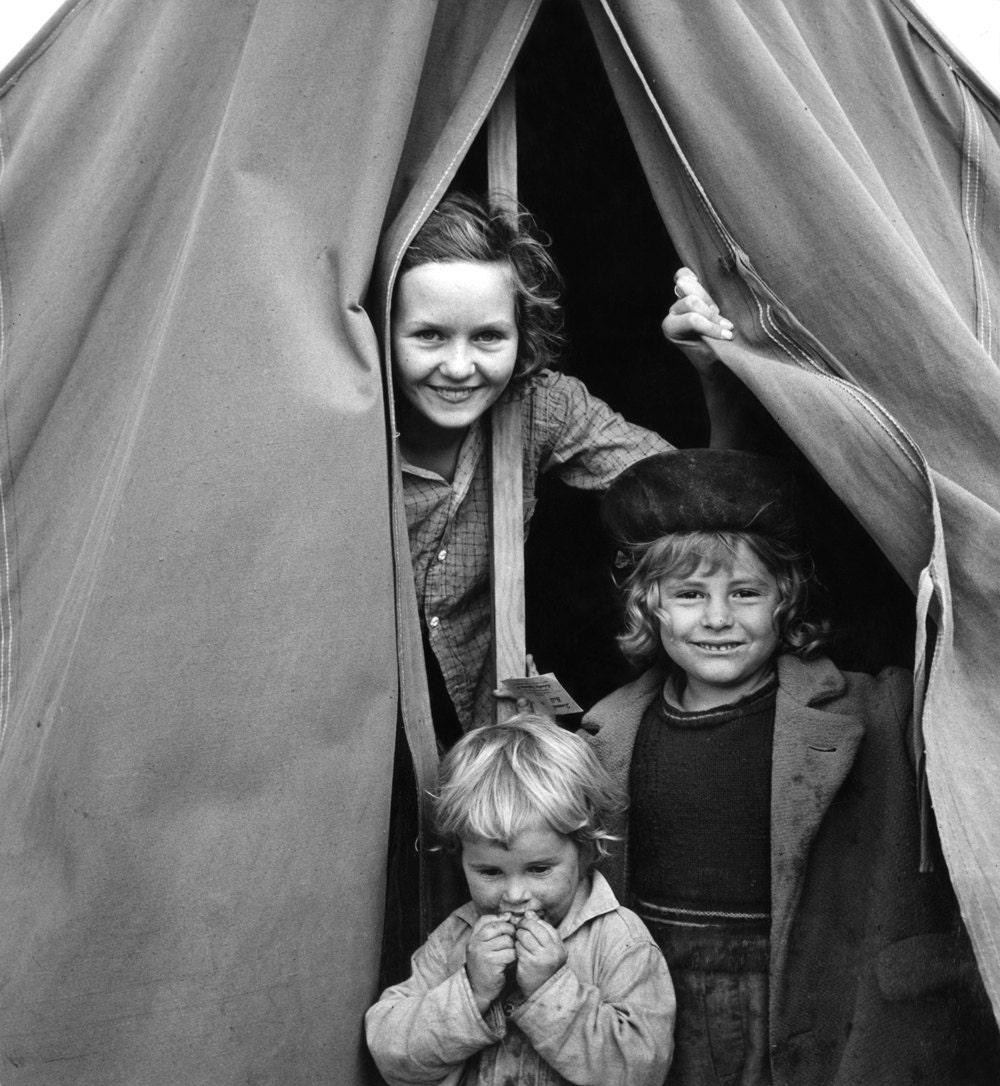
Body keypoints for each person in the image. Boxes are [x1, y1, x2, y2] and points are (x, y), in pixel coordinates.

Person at [583, 440, 1000, 1084]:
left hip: (804, 1003)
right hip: (654, 1003)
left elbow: (974, 645)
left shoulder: (872, 712)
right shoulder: (605, 731)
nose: (718, 618)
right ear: (648, 605)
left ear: (786, 597)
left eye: (746, 592)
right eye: (690, 594)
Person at [393, 195, 736, 741]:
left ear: (521, 334)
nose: (459, 367)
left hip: (480, 740)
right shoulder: (346, 427)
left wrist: (715, 376)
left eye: (488, 336)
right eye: (429, 335)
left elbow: (702, 501)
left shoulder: (537, 405)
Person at [366, 714, 676, 1086]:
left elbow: (641, 1071)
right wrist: (471, 989)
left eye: (539, 869)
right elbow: (390, 1054)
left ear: (586, 853)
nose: (514, 896)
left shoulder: (620, 942)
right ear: (460, 858)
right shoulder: (455, 937)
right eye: (491, 872)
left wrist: (551, 989)